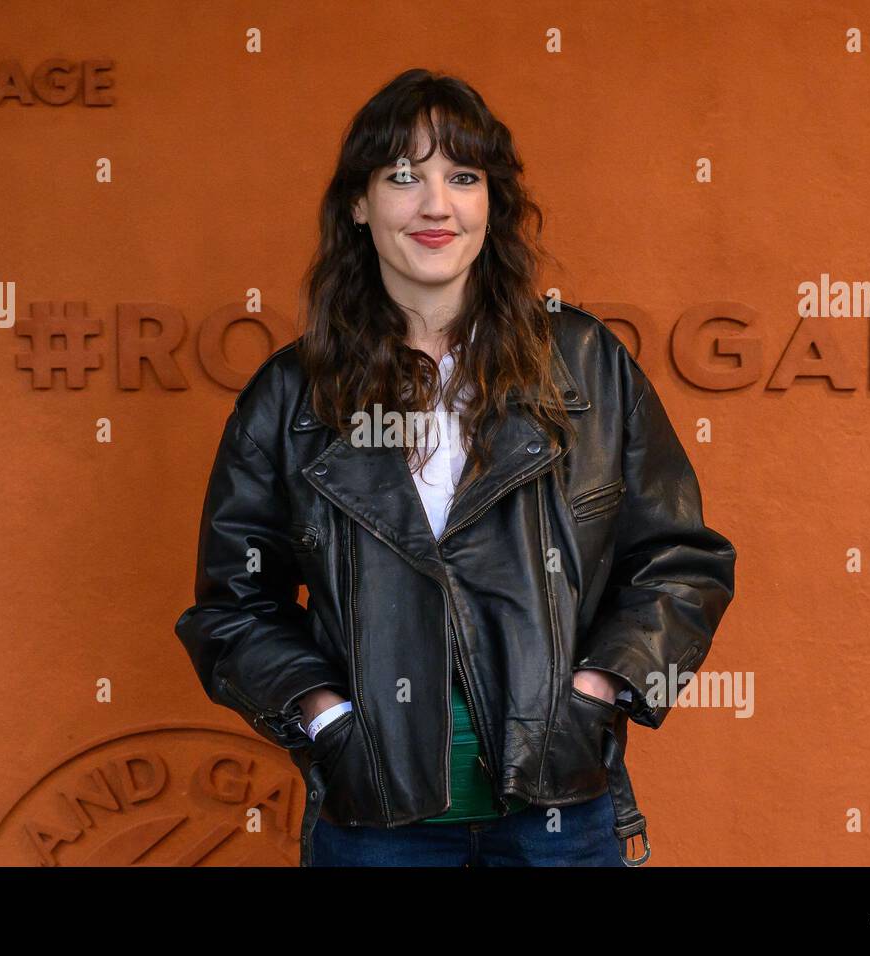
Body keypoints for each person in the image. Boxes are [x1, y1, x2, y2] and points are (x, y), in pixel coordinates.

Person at [175, 68, 736, 866]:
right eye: (404, 176)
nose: (435, 204)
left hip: (561, 820)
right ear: (360, 206)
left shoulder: (586, 368)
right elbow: (231, 605)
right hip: (374, 827)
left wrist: (597, 692)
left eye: (462, 177)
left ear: (491, 206)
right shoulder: (291, 398)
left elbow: (684, 563)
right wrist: (328, 718)